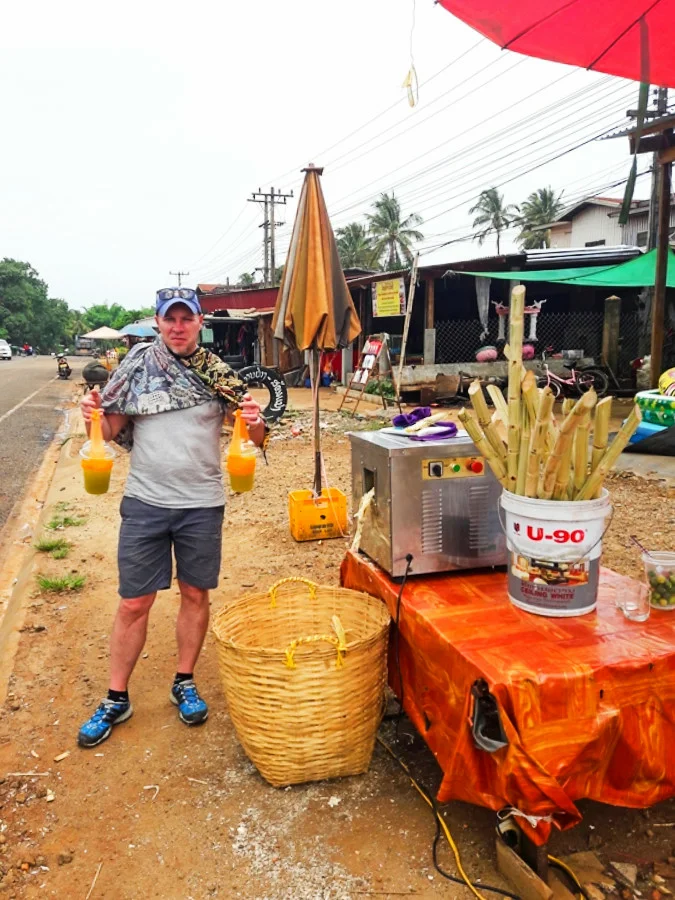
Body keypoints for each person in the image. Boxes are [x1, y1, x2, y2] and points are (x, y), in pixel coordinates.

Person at [77, 287, 268, 748]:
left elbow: (255, 438)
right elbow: (108, 430)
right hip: (145, 502)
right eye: (171, 319)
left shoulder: (219, 376)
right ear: (159, 323)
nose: (178, 327)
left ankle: (184, 680)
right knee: (134, 603)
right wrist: (91, 415)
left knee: (195, 594)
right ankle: (115, 697)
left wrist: (256, 419)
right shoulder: (136, 368)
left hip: (202, 502)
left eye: (187, 319)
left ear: (200, 322)